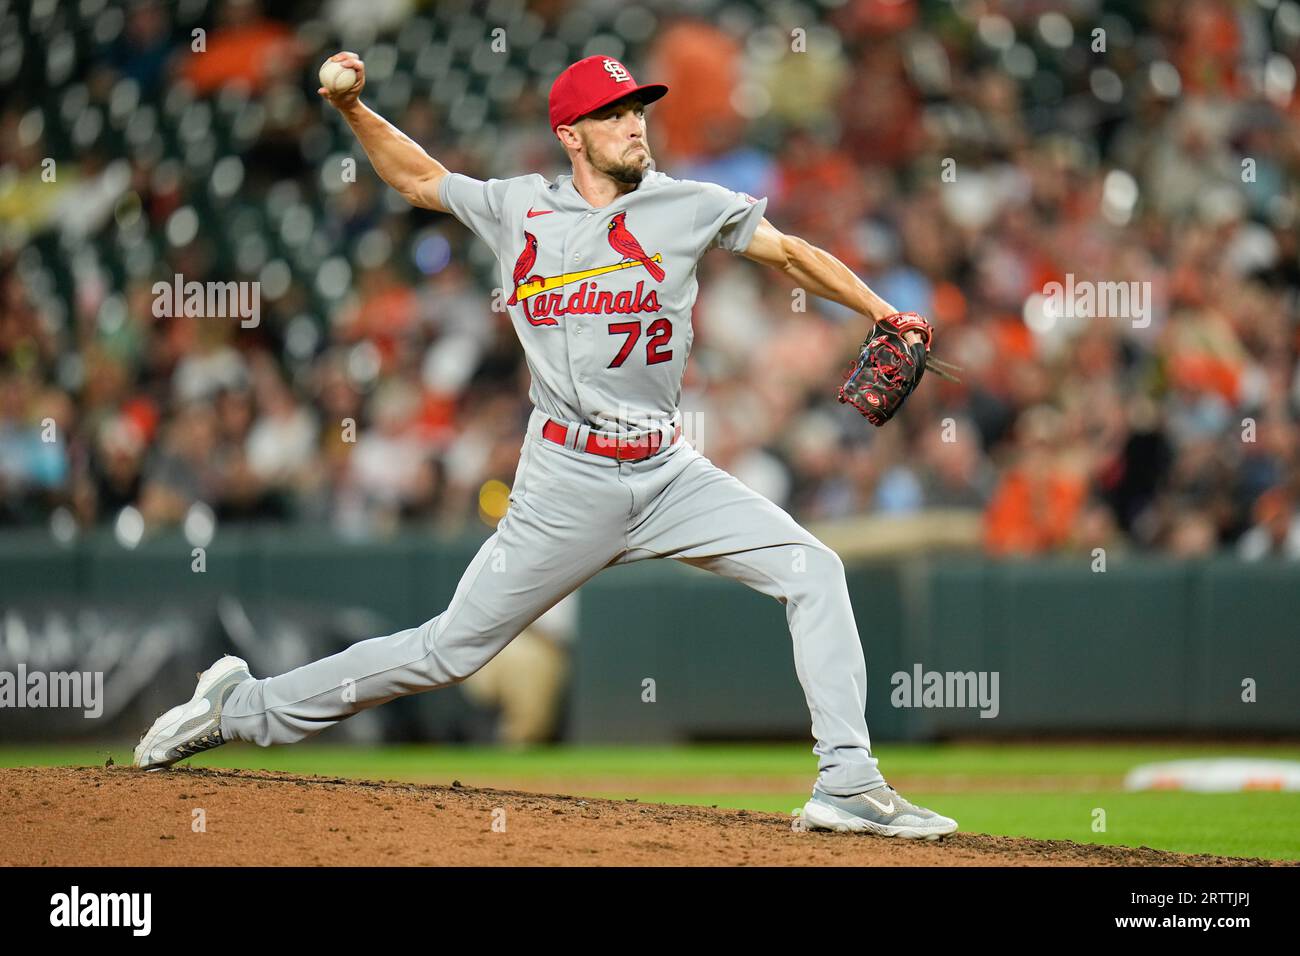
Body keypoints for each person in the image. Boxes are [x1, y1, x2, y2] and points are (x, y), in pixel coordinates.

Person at [135, 53, 956, 839]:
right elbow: (418, 176)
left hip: (670, 470)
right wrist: (351, 107)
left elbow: (792, 255)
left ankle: (847, 780)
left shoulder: (689, 205)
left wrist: (883, 311)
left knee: (815, 569)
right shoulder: (518, 205)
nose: (636, 125)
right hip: (566, 478)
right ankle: (239, 707)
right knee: (449, 649)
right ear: (572, 134)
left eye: (638, 110)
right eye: (614, 115)